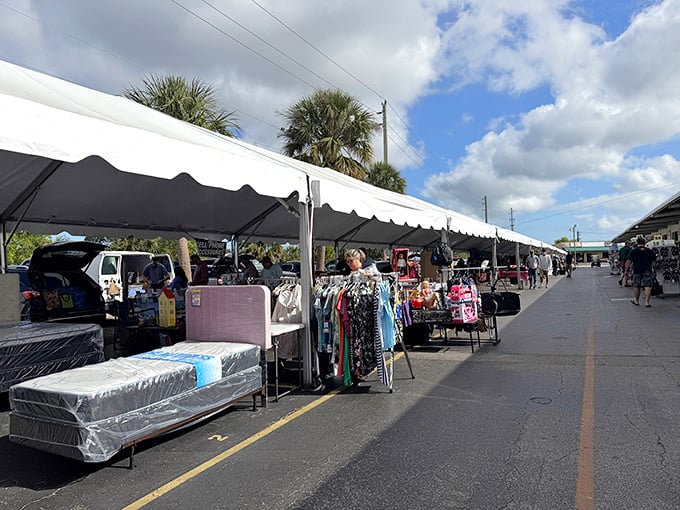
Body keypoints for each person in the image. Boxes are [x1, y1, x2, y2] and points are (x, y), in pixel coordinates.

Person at [626, 237, 657, 307]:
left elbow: (628, 261)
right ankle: (647, 302)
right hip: (647, 270)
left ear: (637, 243)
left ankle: (636, 301)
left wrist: (626, 270)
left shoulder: (633, 251)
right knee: (648, 286)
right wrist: (654, 270)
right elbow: (654, 261)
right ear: (644, 243)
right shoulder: (649, 251)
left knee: (637, 286)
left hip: (637, 270)